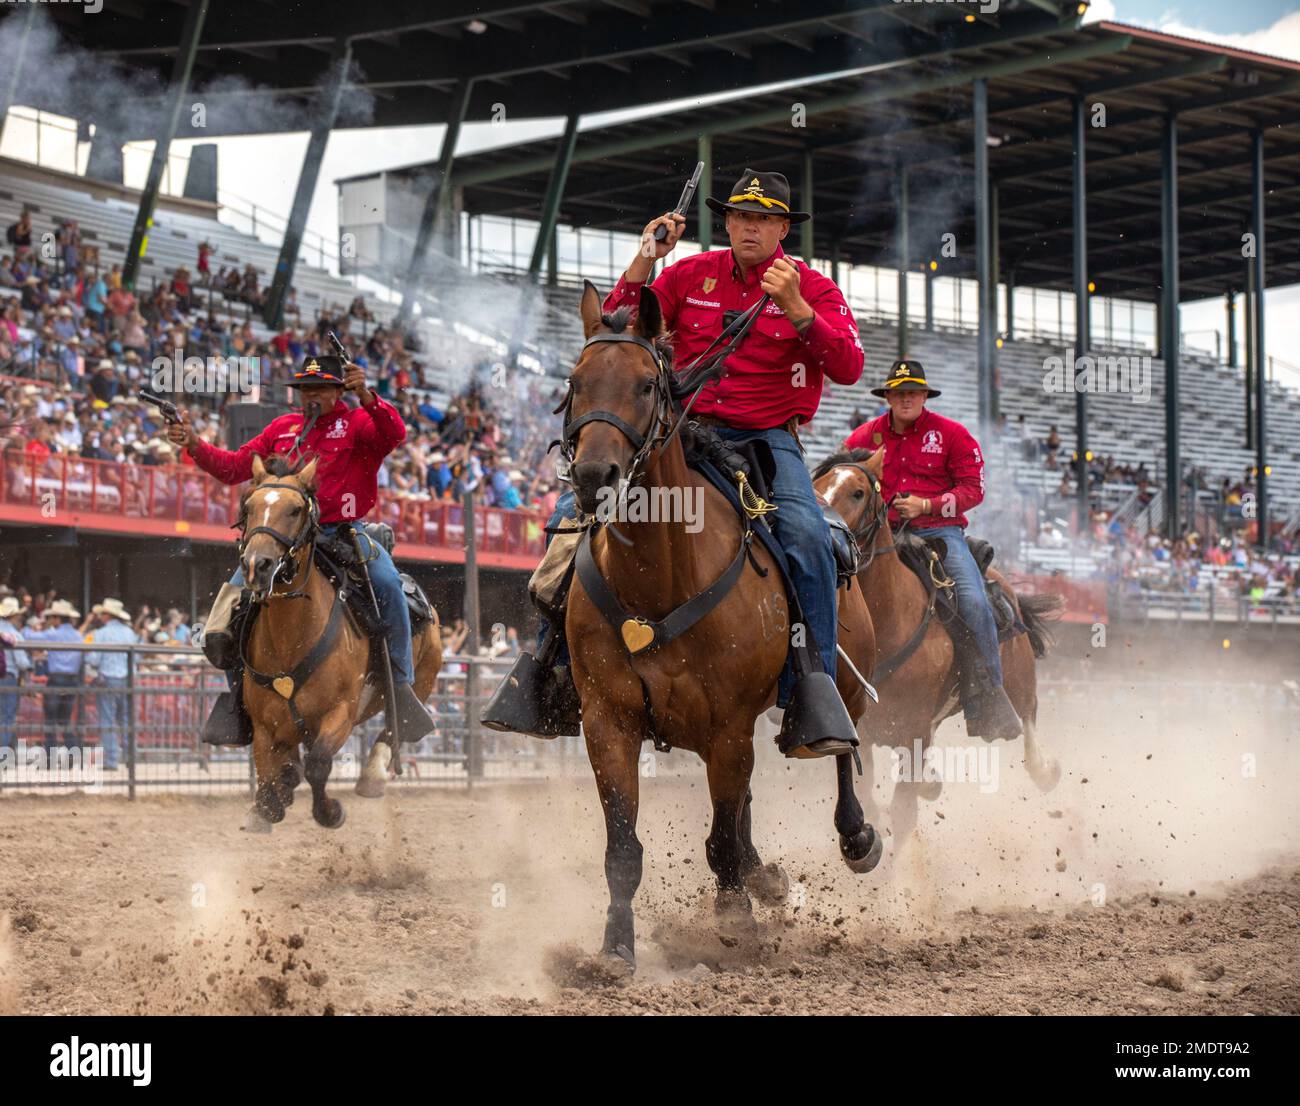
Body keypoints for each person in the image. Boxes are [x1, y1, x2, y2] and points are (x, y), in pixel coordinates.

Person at [486, 168, 865, 758]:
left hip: (767, 442)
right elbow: (614, 325)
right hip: (679, 434)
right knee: (570, 517)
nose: (749, 226)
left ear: (783, 227)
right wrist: (646, 257)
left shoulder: (812, 287)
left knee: (807, 537)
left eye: (764, 217)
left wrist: (795, 308)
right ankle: (543, 670)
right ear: (728, 221)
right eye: (741, 215)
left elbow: (847, 365)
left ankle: (808, 692)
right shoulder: (689, 273)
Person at [169, 354, 435, 746]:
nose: (310, 396)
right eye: (305, 389)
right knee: (226, 615)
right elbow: (233, 467)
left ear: (337, 391)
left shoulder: (359, 421)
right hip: (283, 541)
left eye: (320, 388)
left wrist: (367, 395)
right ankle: (239, 703)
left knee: (390, 586)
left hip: (342, 532)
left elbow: (394, 434)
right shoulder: (283, 427)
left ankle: (401, 691)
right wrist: (194, 444)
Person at [844, 359, 1021, 740]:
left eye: (913, 392)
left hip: (939, 535)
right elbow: (842, 479)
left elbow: (974, 490)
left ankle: (988, 696)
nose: (906, 398)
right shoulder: (862, 438)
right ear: (888, 396)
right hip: (879, 536)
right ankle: (810, 687)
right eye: (899, 392)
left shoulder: (952, 434)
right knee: (824, 586)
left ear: (924, 395)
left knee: (973, 600)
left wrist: (927, 505)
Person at [24, 599, 84, 754]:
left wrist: (42, 624)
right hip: (71, 680)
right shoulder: (78, 636)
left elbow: (27, 636)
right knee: (65, 719)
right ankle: (73, 752)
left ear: (57, 618)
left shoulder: (52, 634)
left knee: (50, 718)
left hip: (56, 678)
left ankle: (50, 756)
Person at [84, 598, 138, 770]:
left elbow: (93, 658)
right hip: (128, 679)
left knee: (107, 719)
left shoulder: (101, 634)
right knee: (126, 719)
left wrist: (88, 658)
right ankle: (131, 757)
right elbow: (136, 657)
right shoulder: (129, 633)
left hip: (108, 678)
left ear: (107, 615)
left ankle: (112, 760)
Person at [0, 595, 33, 751]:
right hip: (7, 677)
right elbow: (21, 662)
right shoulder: (14, 635)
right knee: (6, 716)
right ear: (15, 615)